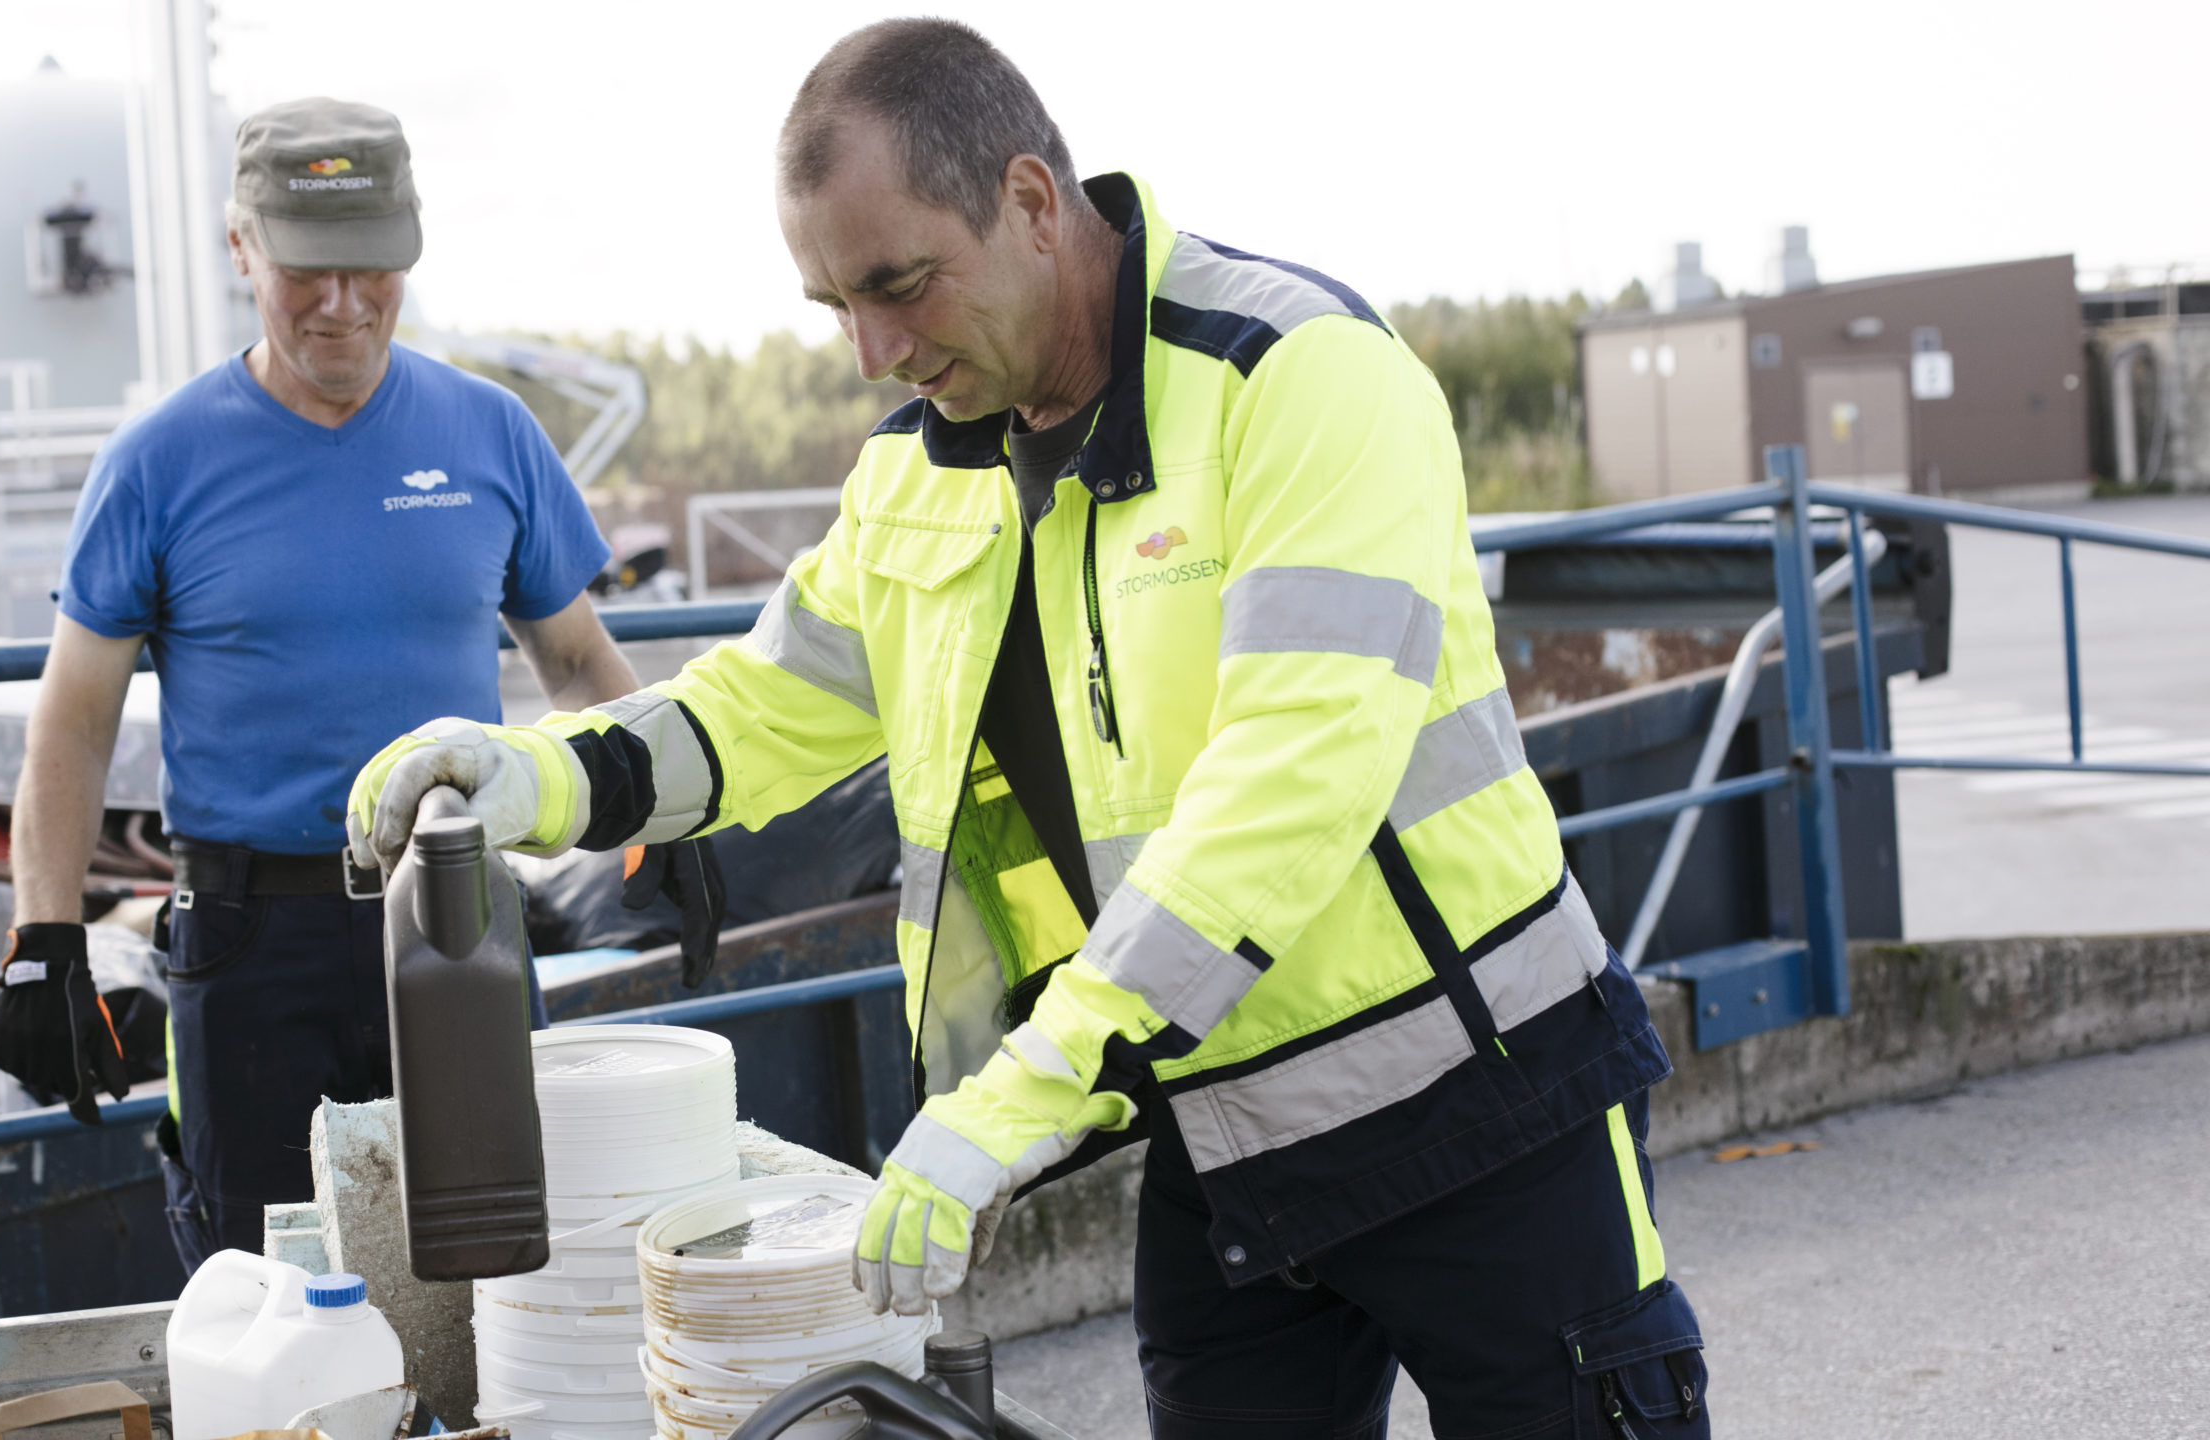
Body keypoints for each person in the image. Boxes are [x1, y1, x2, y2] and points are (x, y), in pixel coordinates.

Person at [348, 21, 1709, 1439]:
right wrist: (548, 774)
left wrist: (1020, 1097)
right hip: (1222, 1131)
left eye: (900, 285)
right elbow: (766, 706)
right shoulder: (921, 469)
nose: (877, 352)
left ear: (1033, 203)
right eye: (835, 307)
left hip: (1480, 1111)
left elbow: (1290, 782)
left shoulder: (1295, 375)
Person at [0, 97, 635, 1273]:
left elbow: (578, 661)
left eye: (370, 267)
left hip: (455, 915)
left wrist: (657, 816)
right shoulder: (158, 461)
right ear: (243, 248)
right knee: (272, 1280)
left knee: (501, 1263)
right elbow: (74, 722)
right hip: (248, 943)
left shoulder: (489, 433)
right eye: (306, 269)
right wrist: (44, 938)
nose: (342, 304)